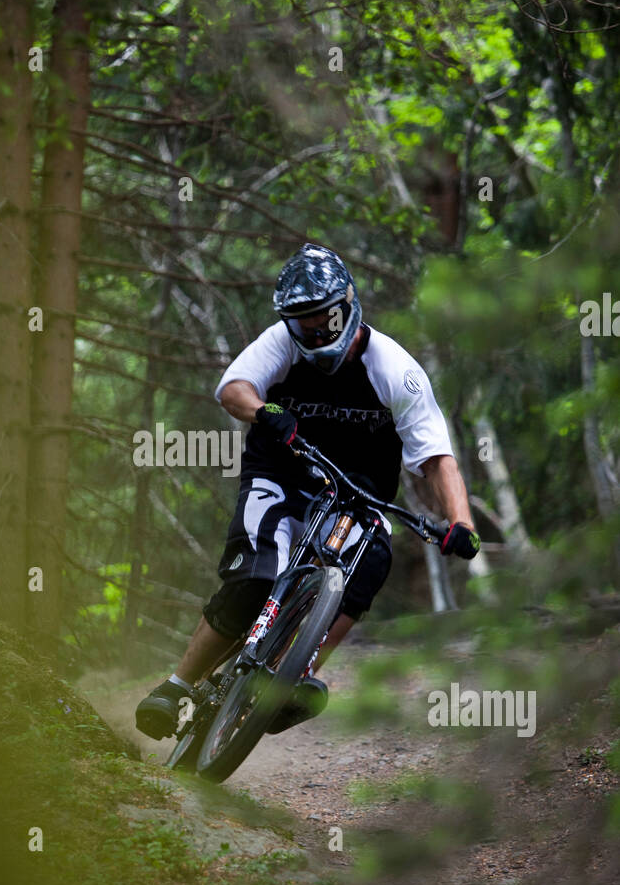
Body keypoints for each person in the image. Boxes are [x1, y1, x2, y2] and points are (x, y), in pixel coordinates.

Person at [135, 243, 480, 741]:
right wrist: (263, 411)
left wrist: (461, 523)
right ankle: (176, 685)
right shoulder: (281, 341)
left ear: (348, 306)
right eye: (303, 323)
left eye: (326, 320)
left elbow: (435, 458)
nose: (315, 331)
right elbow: (234, 386)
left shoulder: (393, 368)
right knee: (258, 572)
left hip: (358, 495)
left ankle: (297, 673)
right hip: (279, 475)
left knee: (372, 560)